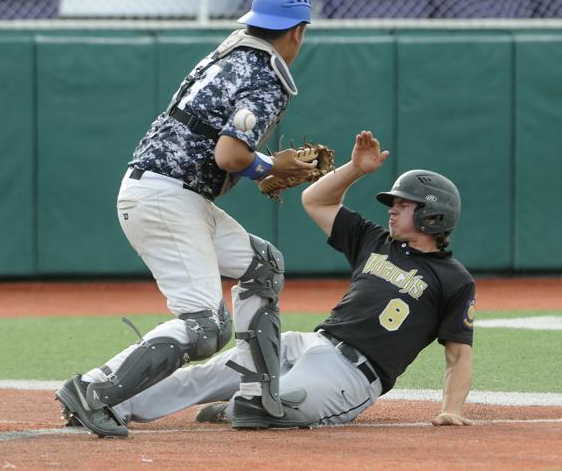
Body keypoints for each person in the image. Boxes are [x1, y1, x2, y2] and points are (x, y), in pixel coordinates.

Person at [55, 0, 316, 438]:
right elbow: (230, 155)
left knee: (261, 265)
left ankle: (257, 397)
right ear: (298, 32)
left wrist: (260, 168)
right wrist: (272, 165)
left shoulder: (228, 54)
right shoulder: (265, 75)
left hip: (171, 192)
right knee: (205, 327)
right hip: (166, 198)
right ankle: (92, 390)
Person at [98, 130, 475, 430]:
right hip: (306, 342)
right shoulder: (376, 241)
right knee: (208, 374)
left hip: (353, 374)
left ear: (433, 216)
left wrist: (451, 410)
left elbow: (458, 355)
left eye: (404, 205)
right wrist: (355, 169)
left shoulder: (453, 279)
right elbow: (316, 201)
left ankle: (237, 408)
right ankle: (111, 400)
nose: (393, 209)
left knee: (275, 407)